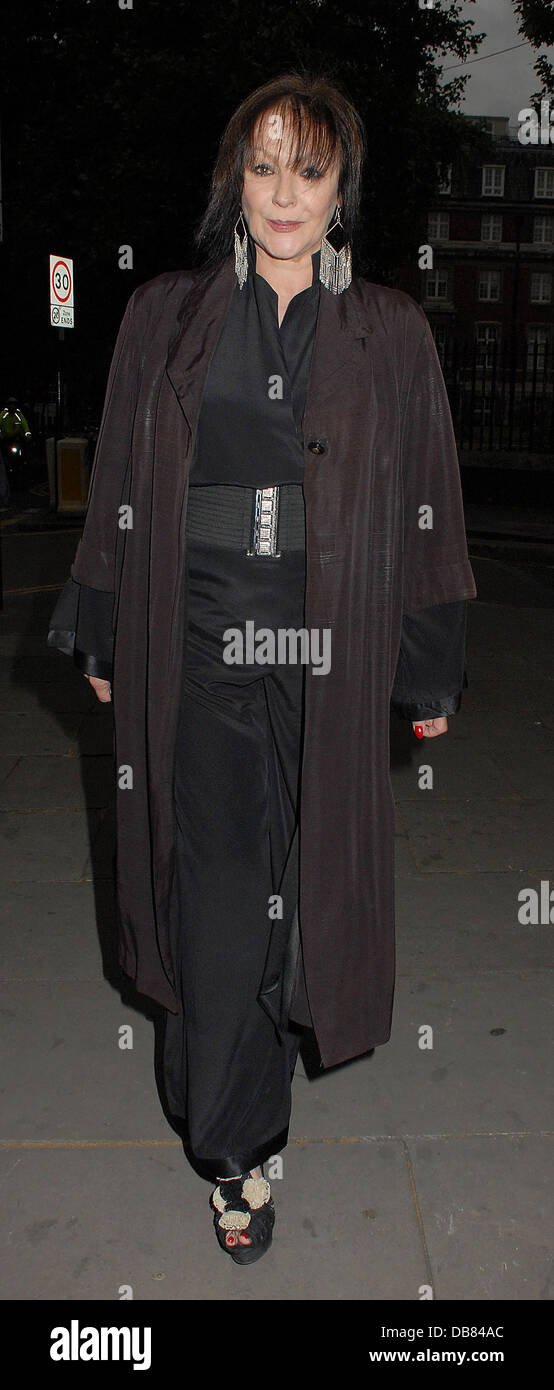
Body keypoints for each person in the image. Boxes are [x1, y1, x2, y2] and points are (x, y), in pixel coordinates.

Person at [47, 71, 477, 1265]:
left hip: (325, 664)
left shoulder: (385, 330)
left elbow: (429, 501)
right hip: (197, 663)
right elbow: (121, 501)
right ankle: (236, 1150)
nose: (284, 193)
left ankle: (245, 1086)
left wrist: (427, 666)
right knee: (221, 915)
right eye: (264, 165)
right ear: (234, 179)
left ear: (341, 191)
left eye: (310, 169)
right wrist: (97, 633)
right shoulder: (164, 318)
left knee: (306, 915)